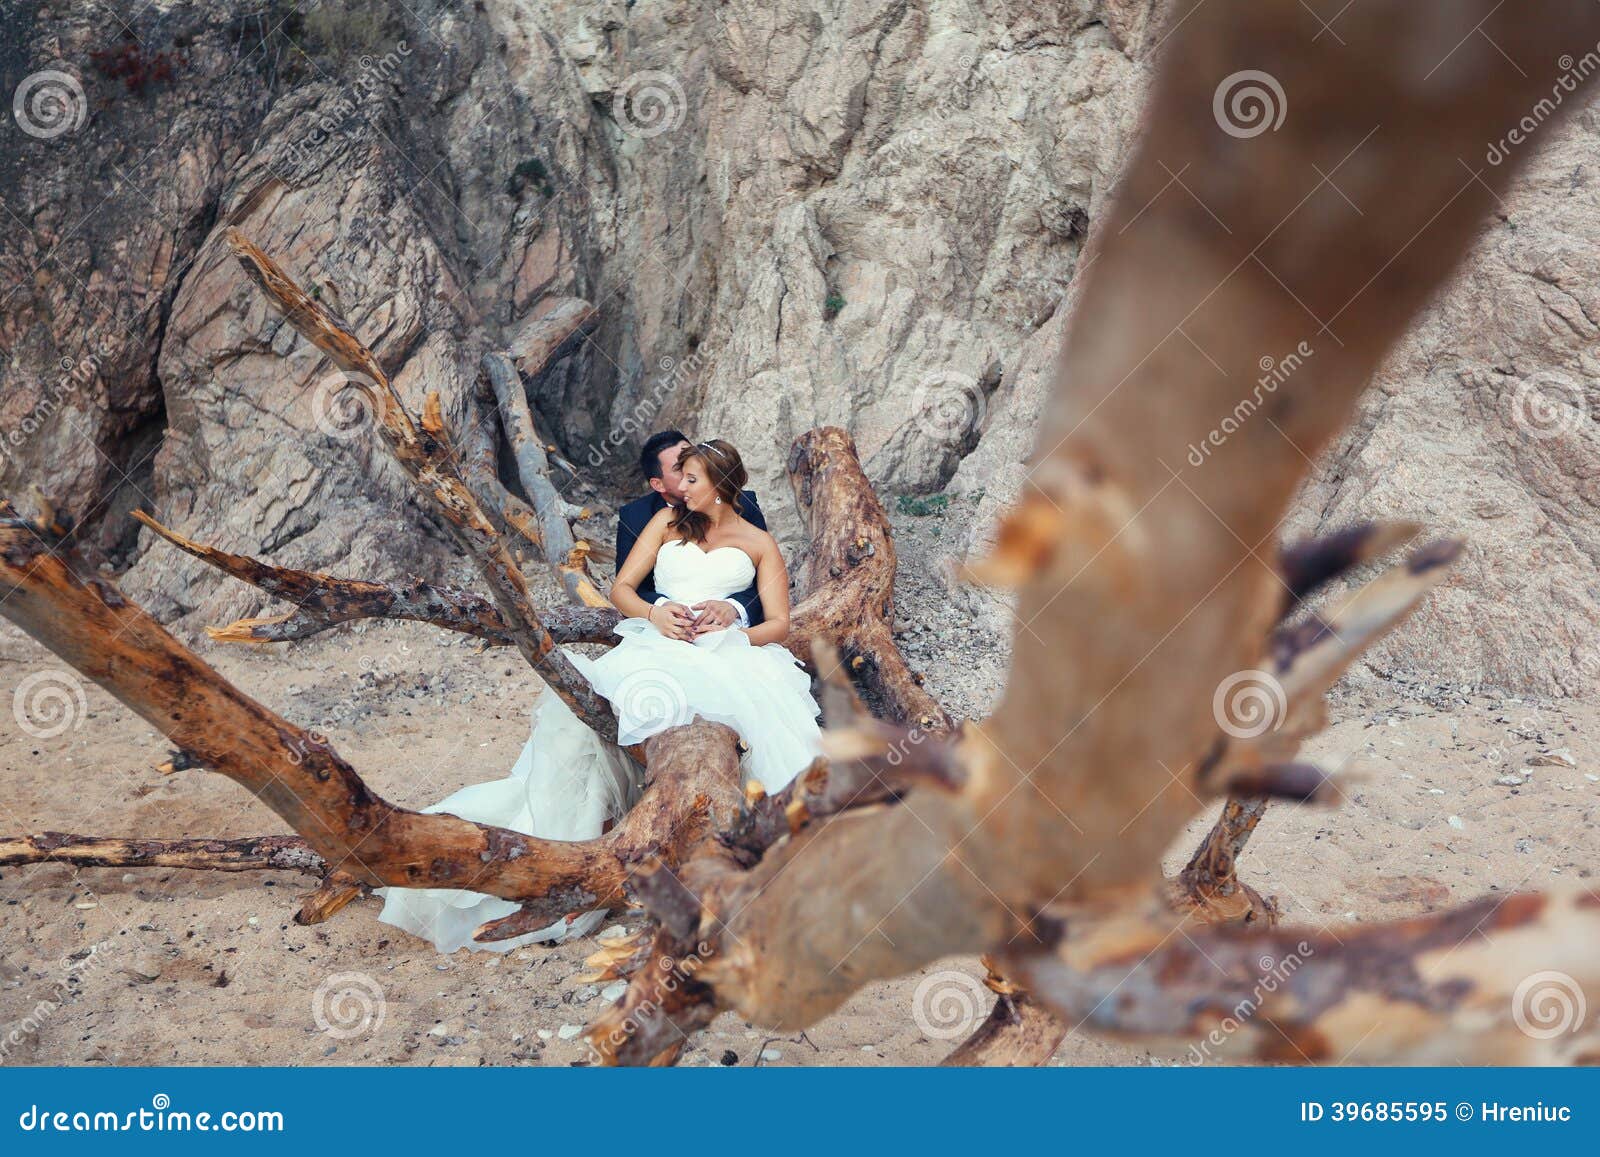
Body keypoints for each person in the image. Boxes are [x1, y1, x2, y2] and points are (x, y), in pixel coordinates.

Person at [375, 439, 822, 953]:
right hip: (658, 643)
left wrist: (731, 624)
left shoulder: (760, 543)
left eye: (694, 479)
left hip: (730, 652)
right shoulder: (665, 524)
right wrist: (655, 614)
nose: (684, 487)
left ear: (721, 484)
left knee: (757, 734)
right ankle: (593, 834)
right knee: (600, 712)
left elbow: (781, 624)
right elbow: (622, 589)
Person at [616, 429, 768, 636]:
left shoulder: (744, 506)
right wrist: (660, 610)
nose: (692, 466)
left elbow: (766, 582)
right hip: (664, 630)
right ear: (657, 484)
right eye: (680, 469)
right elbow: (628, 588)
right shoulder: (637, 517)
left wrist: (735, 607)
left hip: (727, 633)